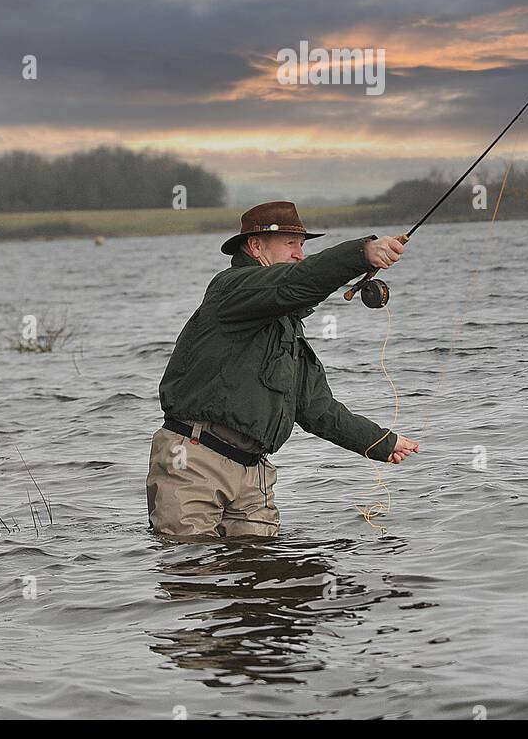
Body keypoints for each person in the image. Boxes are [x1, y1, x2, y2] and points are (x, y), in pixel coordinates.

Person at [147, 200, 419, 539]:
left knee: (267, 577)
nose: (299, 254)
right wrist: (362, 254)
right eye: (291, 244)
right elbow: (294, 282)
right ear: (255, 246)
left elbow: (316, 409)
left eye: (303, 246)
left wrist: (382, 442)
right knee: (193, 575)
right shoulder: (230, 288)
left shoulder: (285, 326)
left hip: (254, 474)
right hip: (192, 460)